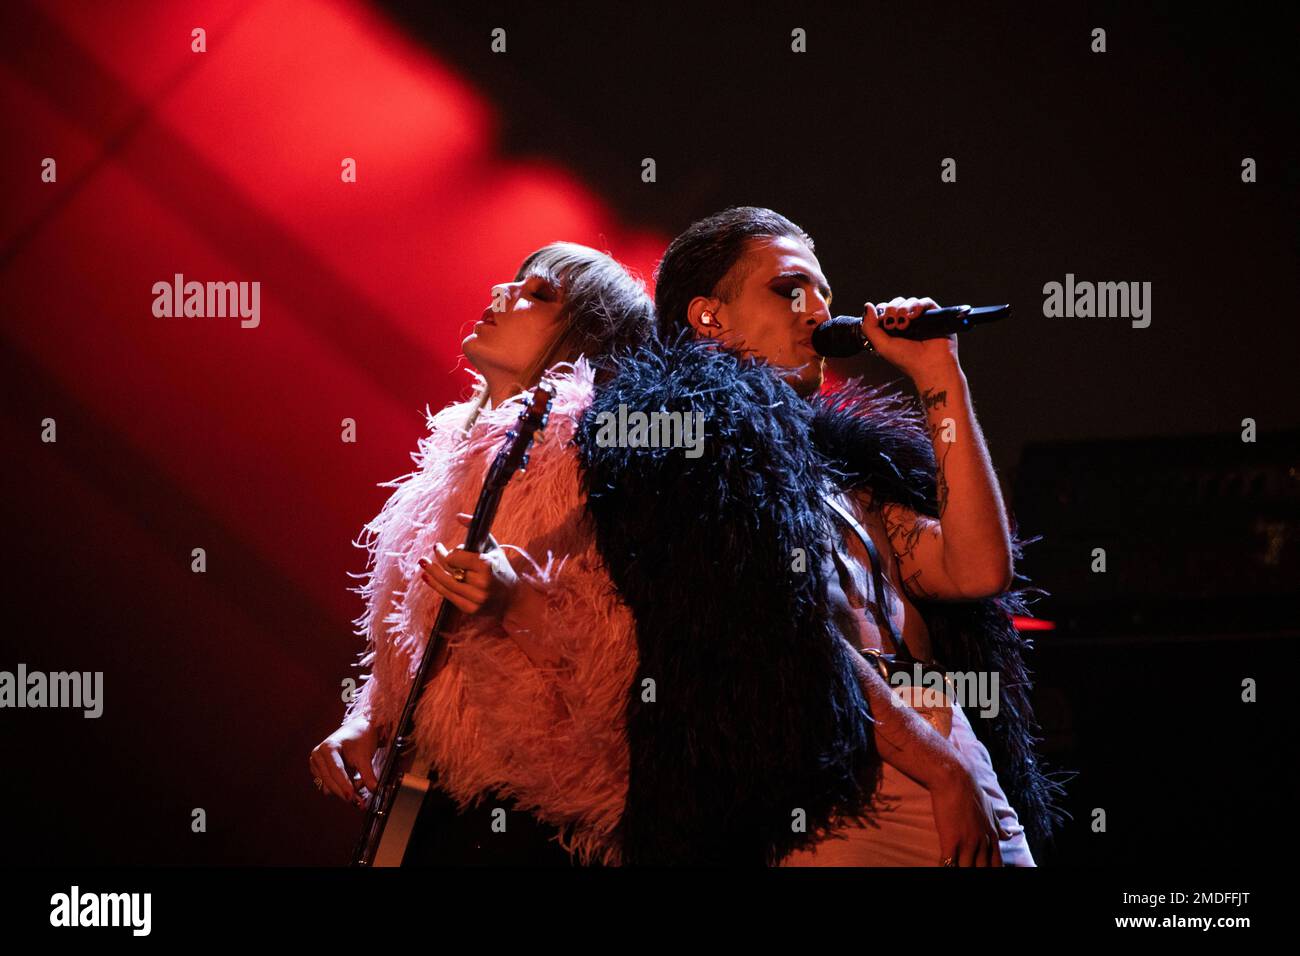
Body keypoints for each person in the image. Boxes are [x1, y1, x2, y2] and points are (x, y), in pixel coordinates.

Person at [575, 207, 1065, 866]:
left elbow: (977, 568)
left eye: (825, 295)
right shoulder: (686, 445)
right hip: (842, 770)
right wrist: (941, 769)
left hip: (935, 744)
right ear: (709, 316)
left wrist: (938, 374)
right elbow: (784, 626)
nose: (817, 311)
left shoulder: (847, 478)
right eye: (789, 289)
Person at [309, 241, 654, 866]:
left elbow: (622, 662)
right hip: (430, 793)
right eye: (514, 283)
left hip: (537, 819)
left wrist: (517, 602)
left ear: (588, 337)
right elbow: (415, 635)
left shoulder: (605, 468)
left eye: (540, 295)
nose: (504, 295)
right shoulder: (456, 450)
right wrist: (371, 718)